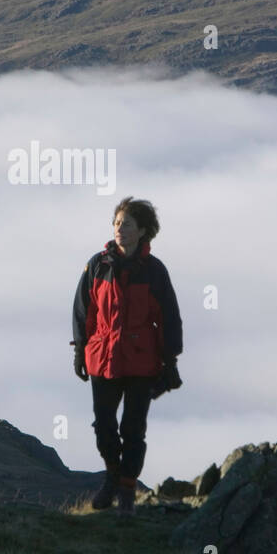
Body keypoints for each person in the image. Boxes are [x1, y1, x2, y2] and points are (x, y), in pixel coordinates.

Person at [70, 196, 183, 517]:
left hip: (141, 361)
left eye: (127, 224)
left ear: (143, 231)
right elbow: (83, 311)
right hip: (102, 357)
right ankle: (111, 476)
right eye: (117, 223)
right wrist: (80, 350)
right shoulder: (98, 265)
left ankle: (127, 491)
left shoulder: (154, 271)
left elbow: (169, 317)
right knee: (104, 426)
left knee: (133, 429)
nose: (120, 229)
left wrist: (170, 360)